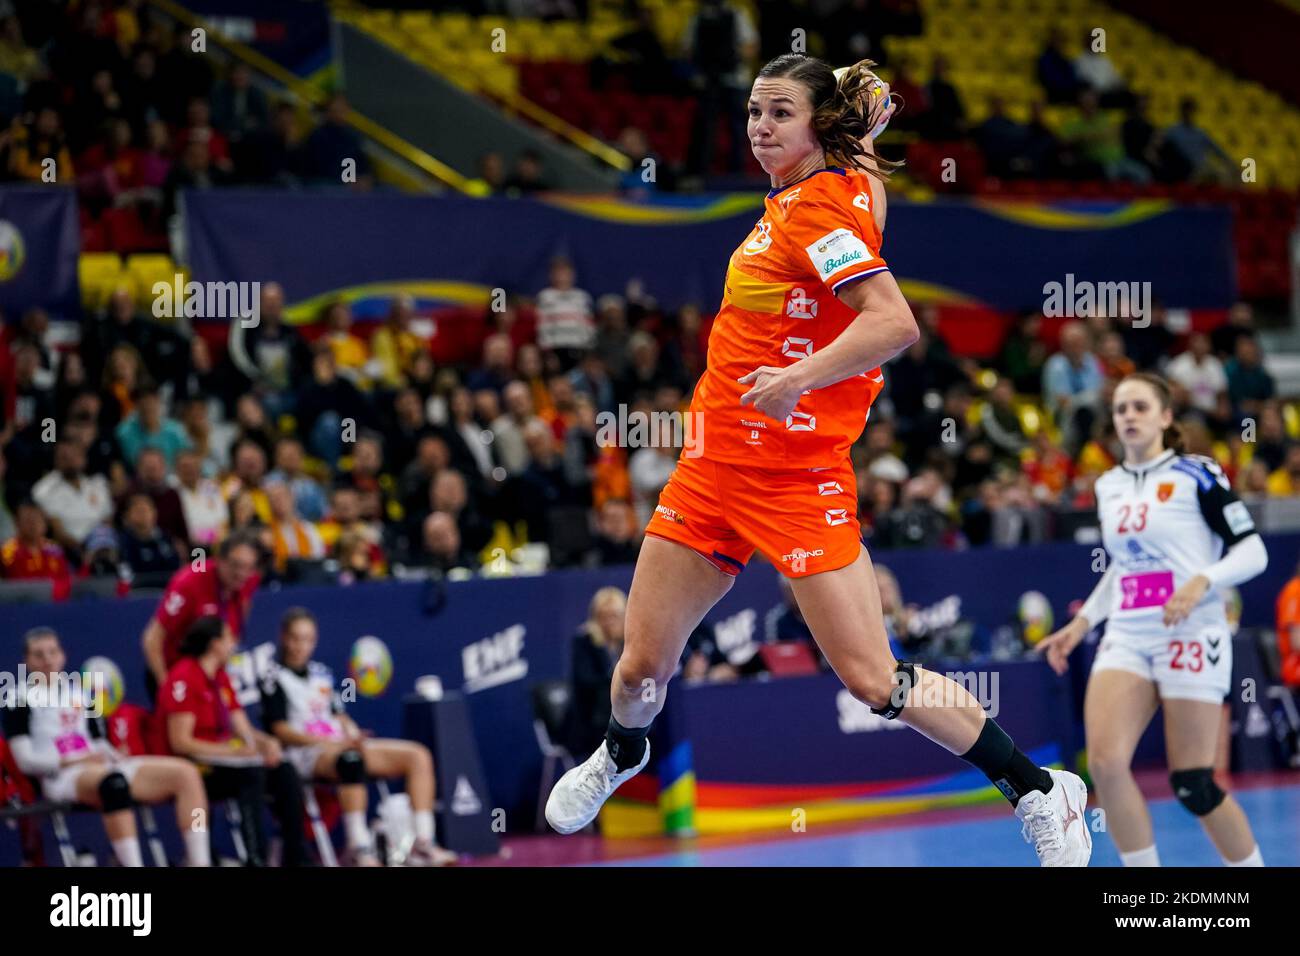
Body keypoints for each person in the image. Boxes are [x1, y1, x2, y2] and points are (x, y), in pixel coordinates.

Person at [545, 55, 1091, 866]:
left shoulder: (816, 217)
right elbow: (868, 182)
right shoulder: (832, 194)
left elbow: (894, 323)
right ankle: (623, 755)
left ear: (814, 126)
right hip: (713, 472)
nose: (760, 127)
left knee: (877, 682)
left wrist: (795, 377)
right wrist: (862, 127)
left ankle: (1042, 792)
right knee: (638, 670)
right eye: (753, 111)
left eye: (779, 113)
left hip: (798, 480)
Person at [1038, 373, 1268, 867]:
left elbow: (1254, 552)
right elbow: (1125, 564)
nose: (1129, 417)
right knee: (1104, 763)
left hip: (1191, 629)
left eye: (1140, 407)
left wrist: (1203, 580)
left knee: (1193, 784)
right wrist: (1083, 623)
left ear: (1165, 417)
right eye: (1121, 409)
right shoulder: (1108, 485)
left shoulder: (1198, 474)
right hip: (1128, 631)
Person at [261, 608, 456, 866]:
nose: (301, 646)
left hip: (340, 744)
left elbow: (339, 716)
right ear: (284, 638)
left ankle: (423, 843)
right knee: (351, 760)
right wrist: (330, 743)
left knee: (417, 756)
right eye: (295, 638)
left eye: (307, 639)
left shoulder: (322, 674)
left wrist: (353, 734)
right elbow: (279, 730)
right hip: (307, 753)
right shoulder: (273, 678)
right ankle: (359, 847)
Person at [2, 627, 210, 866]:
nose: (48, 660)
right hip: (62, 775)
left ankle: (199, 859)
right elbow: (25, 760)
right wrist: (73, 761)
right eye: (39, 654)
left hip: (99, 765)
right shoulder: (17, 698)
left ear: (63, 655)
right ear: (27, 661)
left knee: (187, 774)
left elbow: (98, 740)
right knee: (114, 785)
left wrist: (113, 753)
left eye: (52, 652)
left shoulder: (80, 692)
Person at [158, 616, 310, 867]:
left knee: (283, 772)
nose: (234, 644)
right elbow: (181, 743)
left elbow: (244, 729)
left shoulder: (221, 678)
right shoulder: (183, 676)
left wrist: (265, 744)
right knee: (251, 775)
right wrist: (232, 752)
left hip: (224, 760)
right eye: (229, 638)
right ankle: (254, 859)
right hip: (193, 767)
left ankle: (295, 857)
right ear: (215, 644)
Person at [140, 530, 262, 703]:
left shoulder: (250, 578)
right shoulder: (189, 582)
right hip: (173, 673)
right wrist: (167, 687)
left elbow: (243, 604)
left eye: (248, 567)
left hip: (211, 674)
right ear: (220, 559)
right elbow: (152, 638)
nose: (241, 574)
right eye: (235, 565)